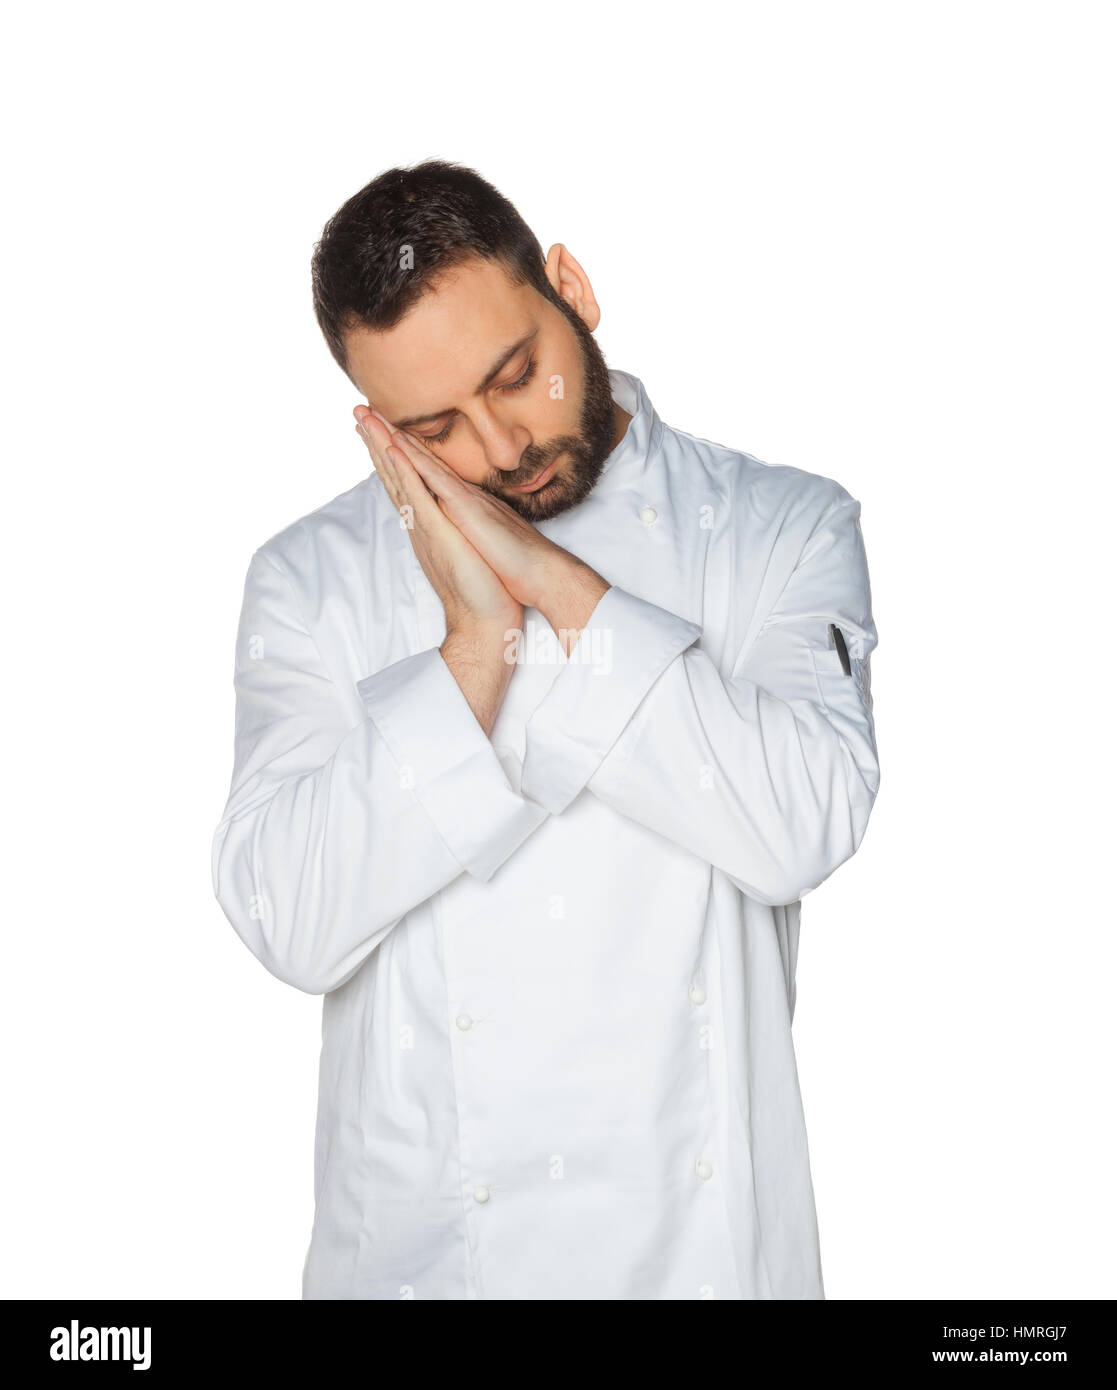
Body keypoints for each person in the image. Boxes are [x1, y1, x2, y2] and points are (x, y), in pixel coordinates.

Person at [211, 159, 881, 1301]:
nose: (503, 448)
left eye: (516, 376)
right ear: (379, 430)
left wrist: (554, 587)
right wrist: (472, 649)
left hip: (704, 1263)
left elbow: (797, 825)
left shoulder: (779, 528)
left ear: (569, 283)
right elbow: (289, 918)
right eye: (438, 428)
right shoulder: (309, 580)